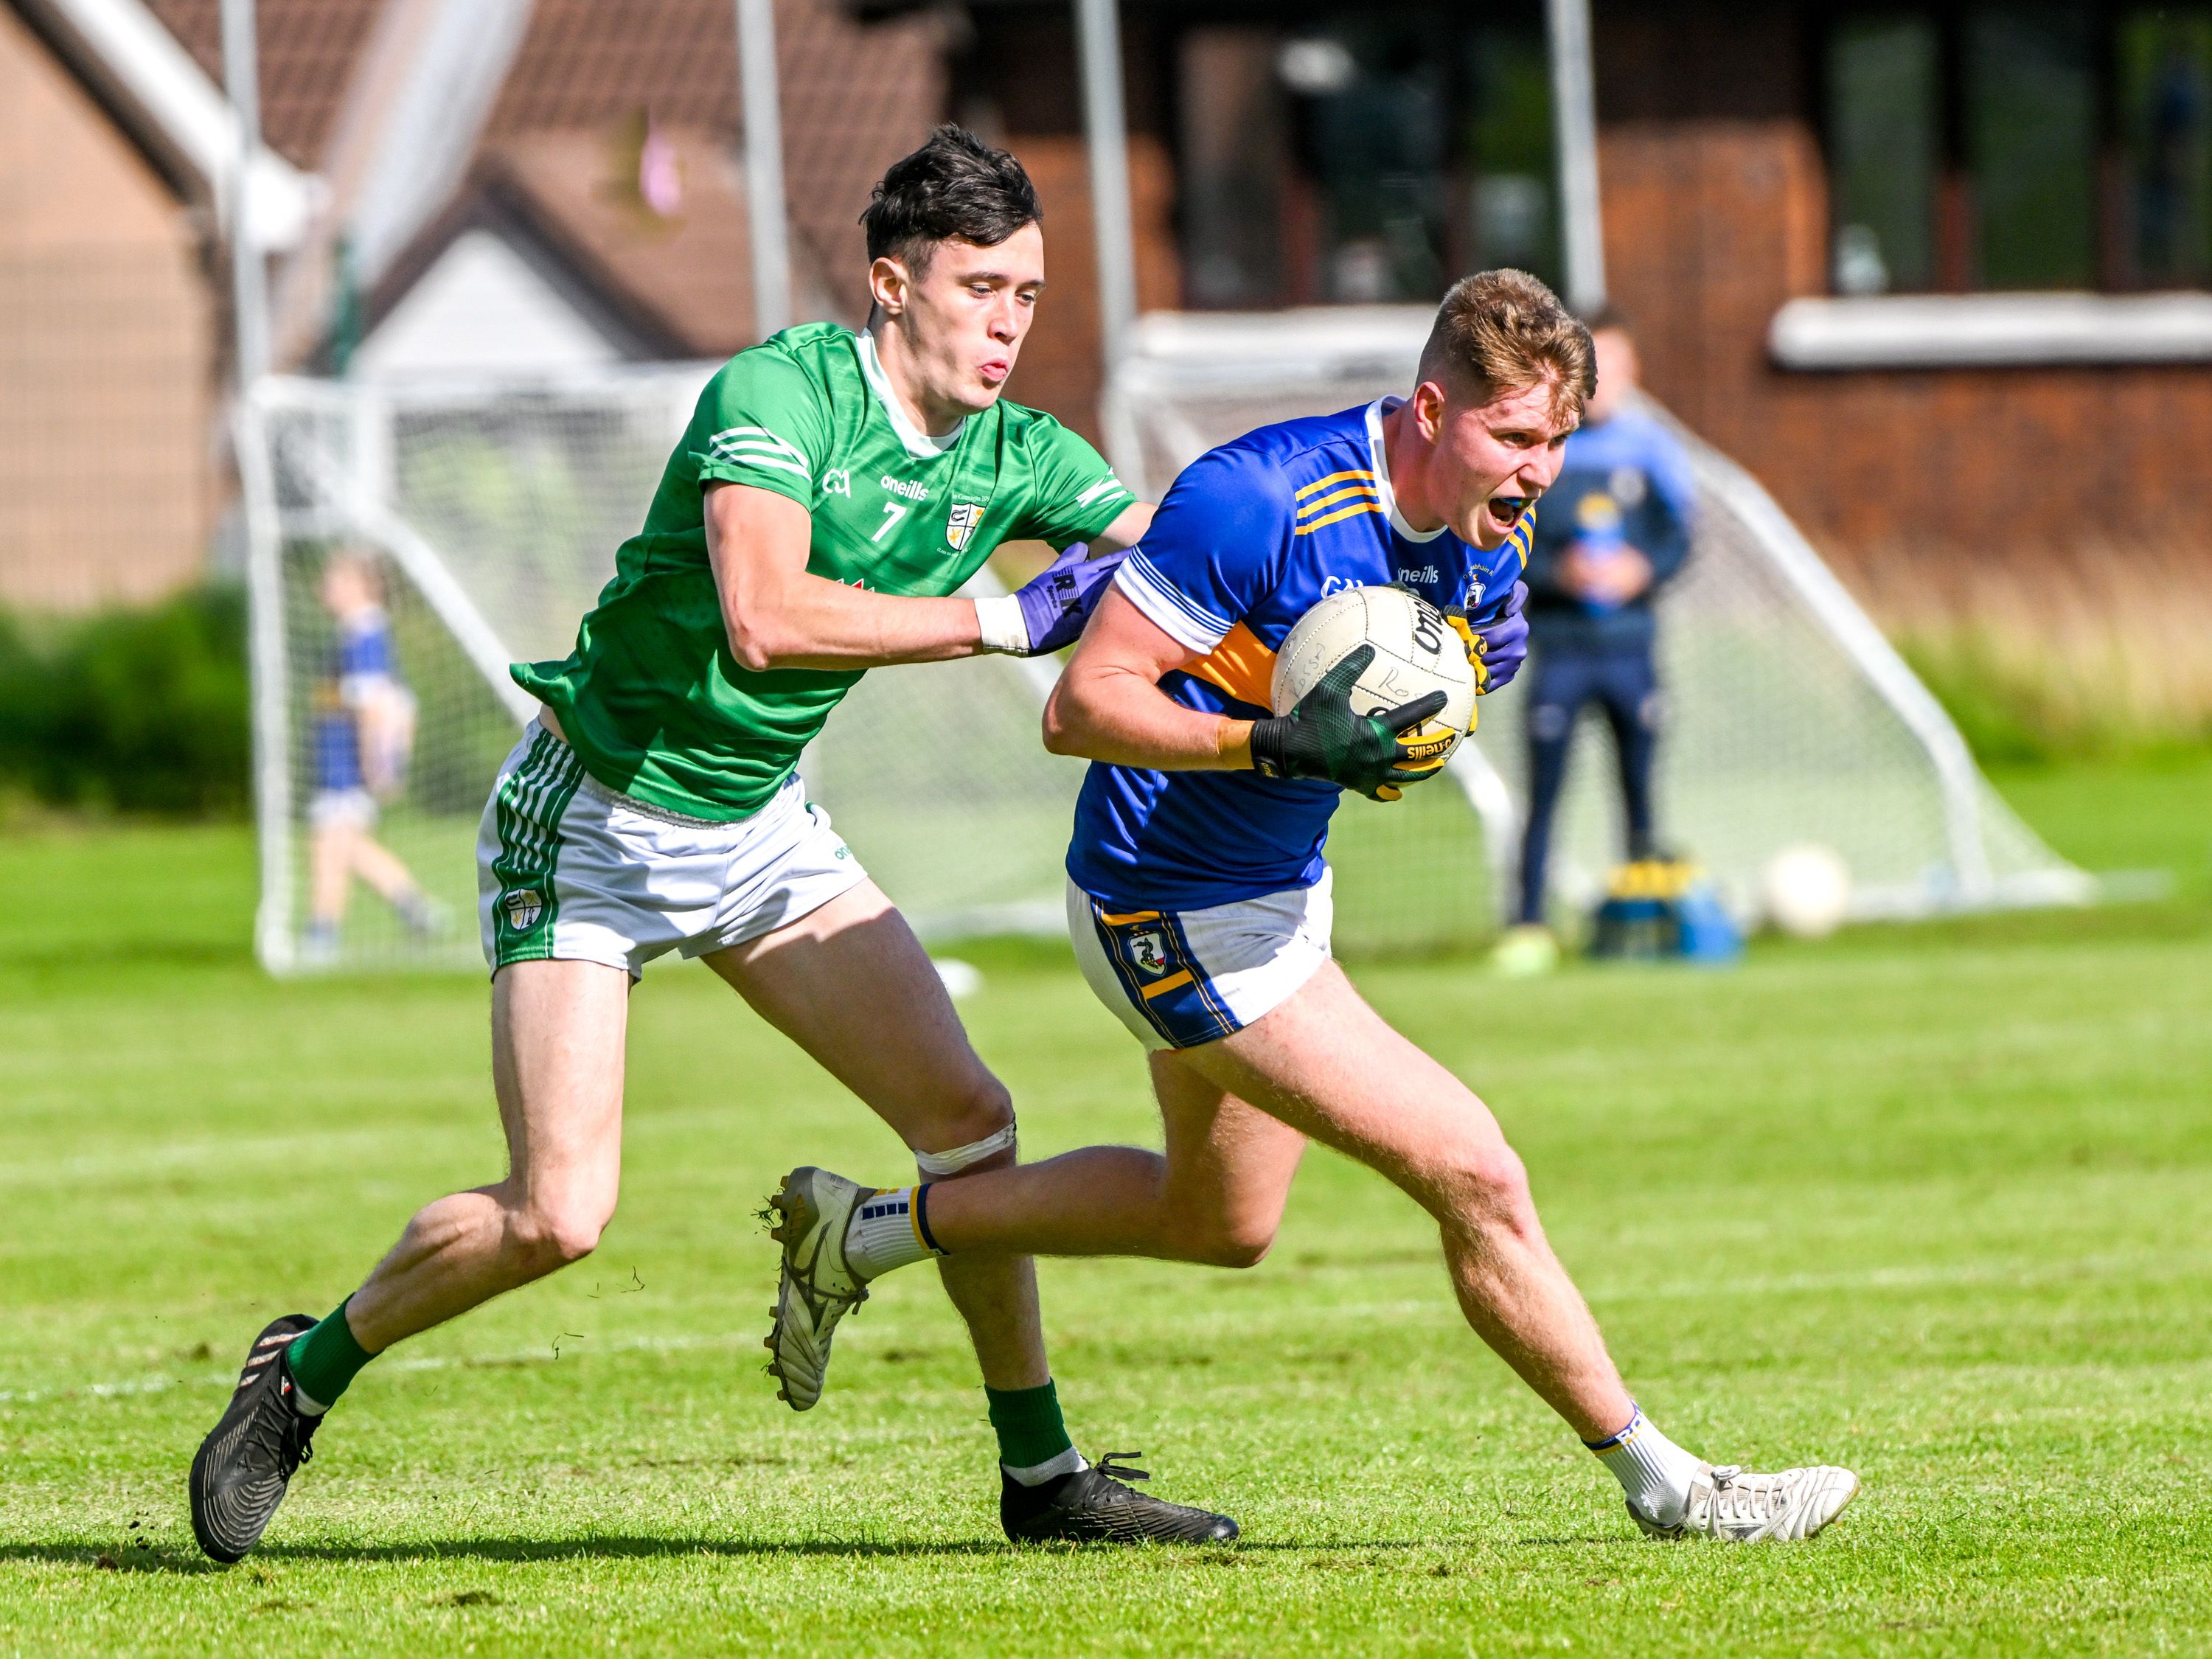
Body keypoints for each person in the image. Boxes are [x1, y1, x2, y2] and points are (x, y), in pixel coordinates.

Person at [189, 125, 1239, 1564]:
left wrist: (1335, 635)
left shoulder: (1020, 455)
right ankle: (301, 1377)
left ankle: (1040, 1478)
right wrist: (1005, 618)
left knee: (970, 1132)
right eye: (979, 286)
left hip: (762, 832)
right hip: (595, 825)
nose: (1006, 322)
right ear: (890, 282)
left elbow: (1187, 575)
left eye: (1029, 296)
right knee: (560, 1213)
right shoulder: (783, 393)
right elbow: (767, 613)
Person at [773, 270, 1859, 1544]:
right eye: (1516, 436)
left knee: (1218, 1221)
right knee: (1476, 1171)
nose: (1540, 471)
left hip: (1278, 897)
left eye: (1560, 440)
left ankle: (862, 1234)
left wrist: (1441, 698)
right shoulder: (1260, 499)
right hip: (1165, 912)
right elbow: (1085, 706)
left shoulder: (1487, 544)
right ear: (1431, 409)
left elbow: (1396, 717)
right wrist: (1278, 748)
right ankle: (1679, 1492)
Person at [1493, 307, 1697, 977]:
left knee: (1640, 788)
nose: (1608, 383)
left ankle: (1646, 922)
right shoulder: (1544, 449)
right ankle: (1528, 924)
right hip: (1562, 649)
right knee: (1545, 790)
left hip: (1631, 648)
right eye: (1596, 369)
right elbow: (1510, 550)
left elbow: (1677, 543)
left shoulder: (1654, 450)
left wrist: (1644, 568)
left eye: (1619, 367)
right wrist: (1559, 572)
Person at [302, 552, 444, 965]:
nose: (325, 587)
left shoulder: (366, 634)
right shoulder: (353, 633)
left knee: (329, 845)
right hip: (337, 761)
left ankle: (321, 935)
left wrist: (377, 764)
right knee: (350, 848)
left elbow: (376, 707)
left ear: (362, 586)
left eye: (335, 579)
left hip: (347, 765)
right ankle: (417, 909)